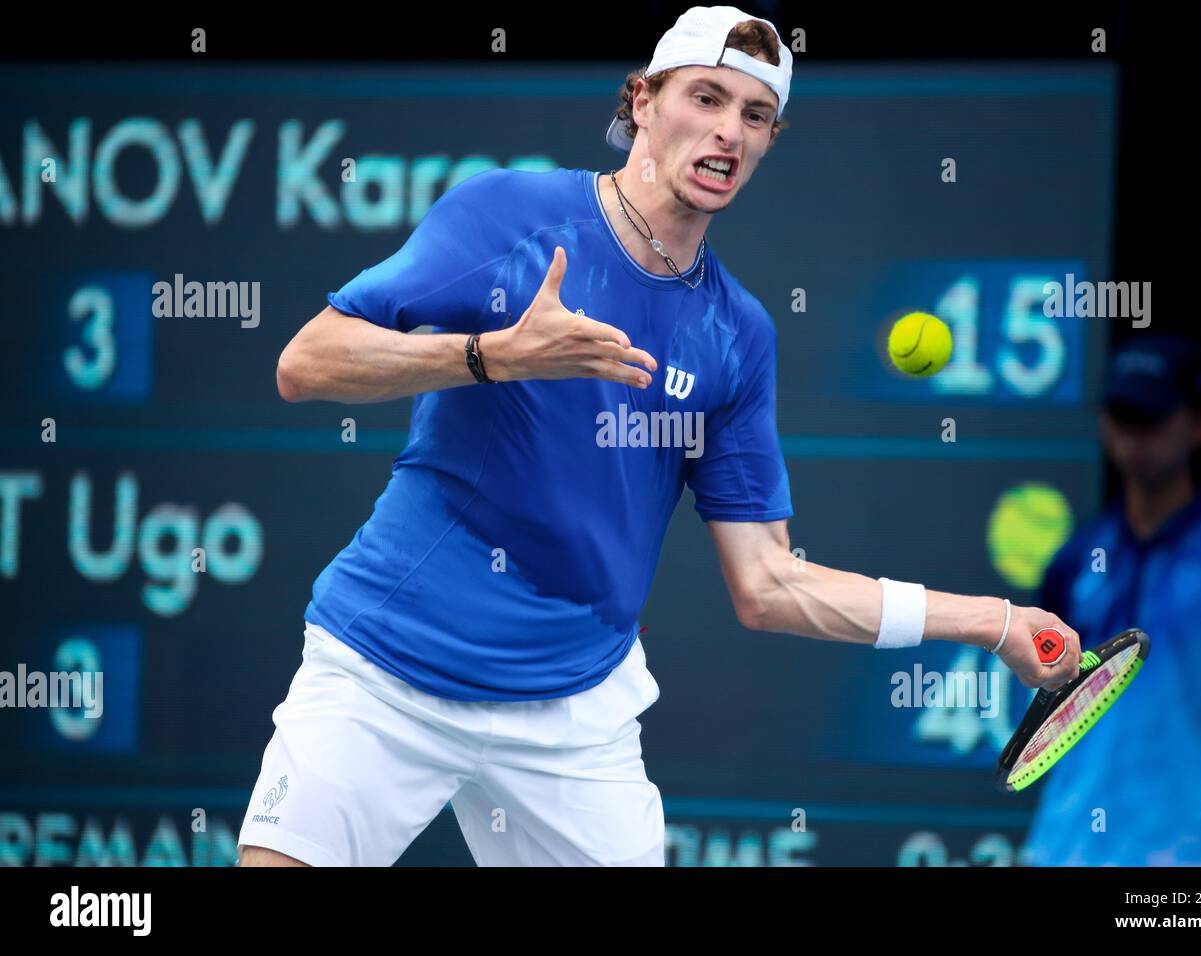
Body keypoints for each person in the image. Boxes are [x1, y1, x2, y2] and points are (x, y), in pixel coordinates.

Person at [237, 5, 1080, 868]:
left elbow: (770, 586)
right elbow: (306, 363)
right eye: (706, 99)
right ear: (641, 101)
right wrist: (497, 356)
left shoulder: (739, 334)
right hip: (389, 665)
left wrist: (992, 620)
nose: (729, 133)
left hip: (573, 712)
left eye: (755, 117)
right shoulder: (509, 215)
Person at [1022, 333, 1201, 866]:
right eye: (1124, 416)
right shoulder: (1075, 561)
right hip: (1064, 851)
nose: (1135, 438)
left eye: (1152, 419)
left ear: (1198, 425)